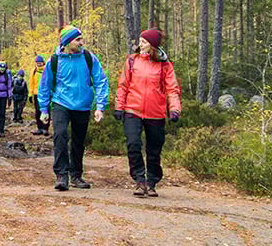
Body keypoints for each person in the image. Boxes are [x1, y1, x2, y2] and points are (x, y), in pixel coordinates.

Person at [38, 26, 109, 191]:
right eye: (78, 39)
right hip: (60, 103)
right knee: (60, 135)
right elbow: (45, 85)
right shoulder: (54, 60)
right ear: (67, 42)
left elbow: (100, 81)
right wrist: (43, 109)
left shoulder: (88, 58)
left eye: (81, 39)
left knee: (78, 141)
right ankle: (62, 175)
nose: (81, 42)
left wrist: (100, 106)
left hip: (83, 105)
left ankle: (76, 175)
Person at [114, 28, 181, 198]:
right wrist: (119, 107)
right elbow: (123, 85)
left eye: (143, 41)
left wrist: (174, 109)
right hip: (132, 109)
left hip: (155, 113)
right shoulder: (132, 61)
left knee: (154, 149)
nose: (140, 44)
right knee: (133, 144)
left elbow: (172, 89)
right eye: (140, 41)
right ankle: (139, 180)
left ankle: (151, 182)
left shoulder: (165, 65)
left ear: (152, 45)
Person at [29, 55, 49, 135]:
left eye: (40, 62)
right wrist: (30, 94)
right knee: (37, 112)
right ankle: (39, 128)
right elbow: (31, 83)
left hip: (45, 94)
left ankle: (45, 128)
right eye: (37, 63)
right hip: (36, 94)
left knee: (46, 111)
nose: (39, 64)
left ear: (43, 62)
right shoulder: (33, 71)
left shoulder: (46, 70)